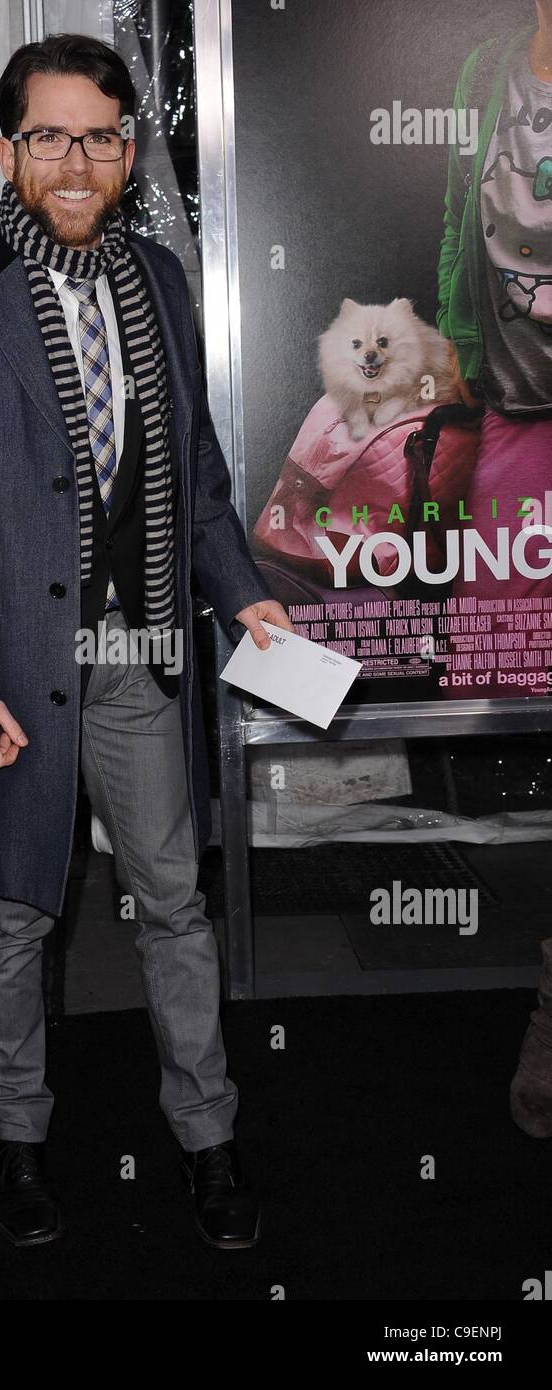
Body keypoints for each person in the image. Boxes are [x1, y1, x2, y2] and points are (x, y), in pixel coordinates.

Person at [0, 32, 294, 1248]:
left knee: (173, 902)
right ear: (7, 152)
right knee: (13, 914)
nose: (75, 160)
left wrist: (241, 594)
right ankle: (15, 1145)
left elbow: (196, 480)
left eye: (99, 135)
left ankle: (206, 1140)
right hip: (5, 673)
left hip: (135, 655)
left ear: (127, 149)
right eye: (48, 135)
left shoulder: (161, 278)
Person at [436, 3, 552, 1136]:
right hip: (517, 413)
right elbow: (453, 220)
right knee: (519, 695)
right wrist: (454, 353)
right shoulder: (481, 68)